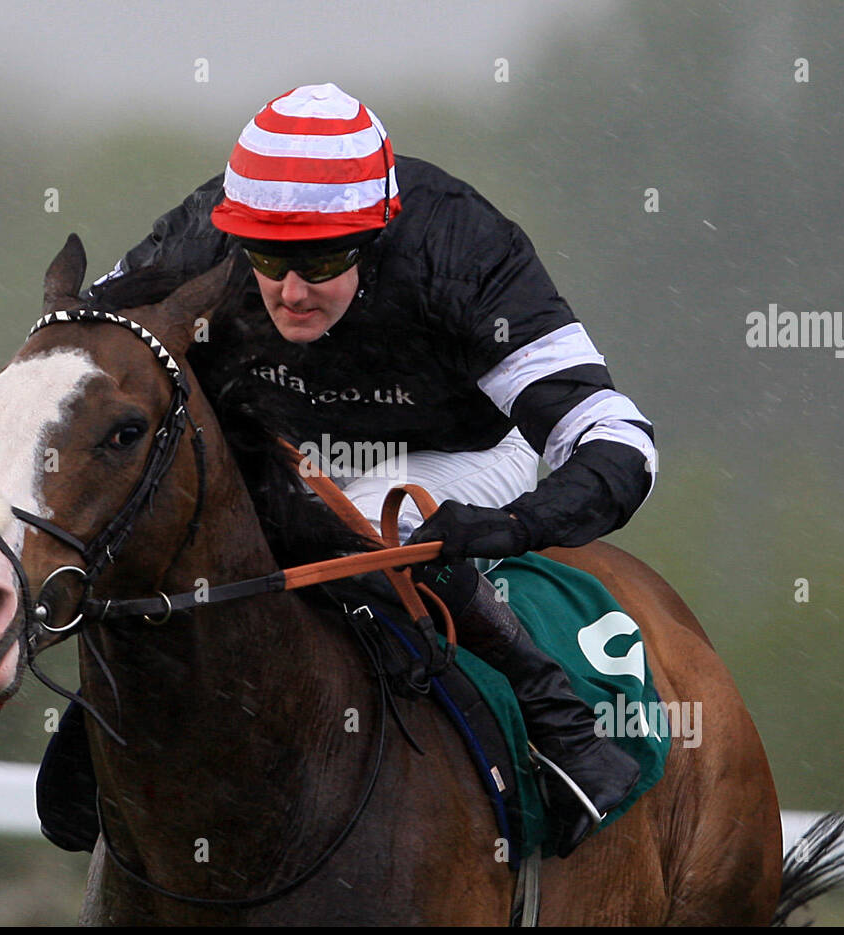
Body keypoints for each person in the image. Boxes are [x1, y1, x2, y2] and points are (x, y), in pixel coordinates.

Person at [48, 82, 656, 857]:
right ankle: (98, 716)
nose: (291, 293)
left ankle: (553, 713)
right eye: (268, 260)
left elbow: (618, 438)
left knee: (361, 526)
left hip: (461, 451)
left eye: (323, 260)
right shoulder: (205, 235)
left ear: (377, 233)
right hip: (283, 451)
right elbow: (88, 363)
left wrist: (515, 524)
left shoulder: (464, 248)